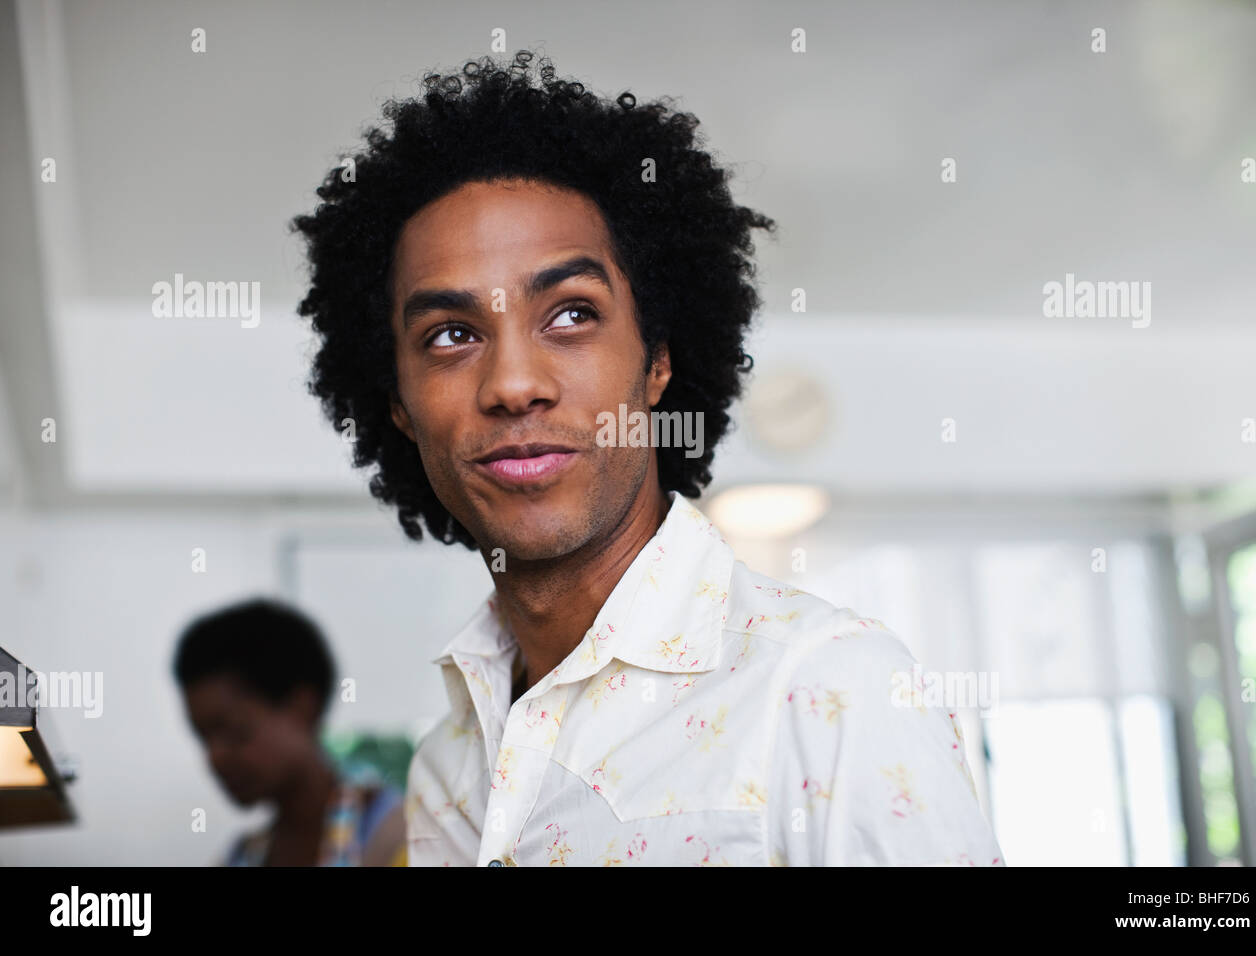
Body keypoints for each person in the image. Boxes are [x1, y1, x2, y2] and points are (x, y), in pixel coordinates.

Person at [290, 50, 1005, 866]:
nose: (514, 384)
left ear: (657, 362)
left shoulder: (830, 694)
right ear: (399, 407)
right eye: (451, 335)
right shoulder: (446, 770)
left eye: (569, 315)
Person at [173, 597, 406, 866]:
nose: (216, 757)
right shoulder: (240, 856)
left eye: (236, 733)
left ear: (302, 707)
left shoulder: (401, 836)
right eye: (203, 738)